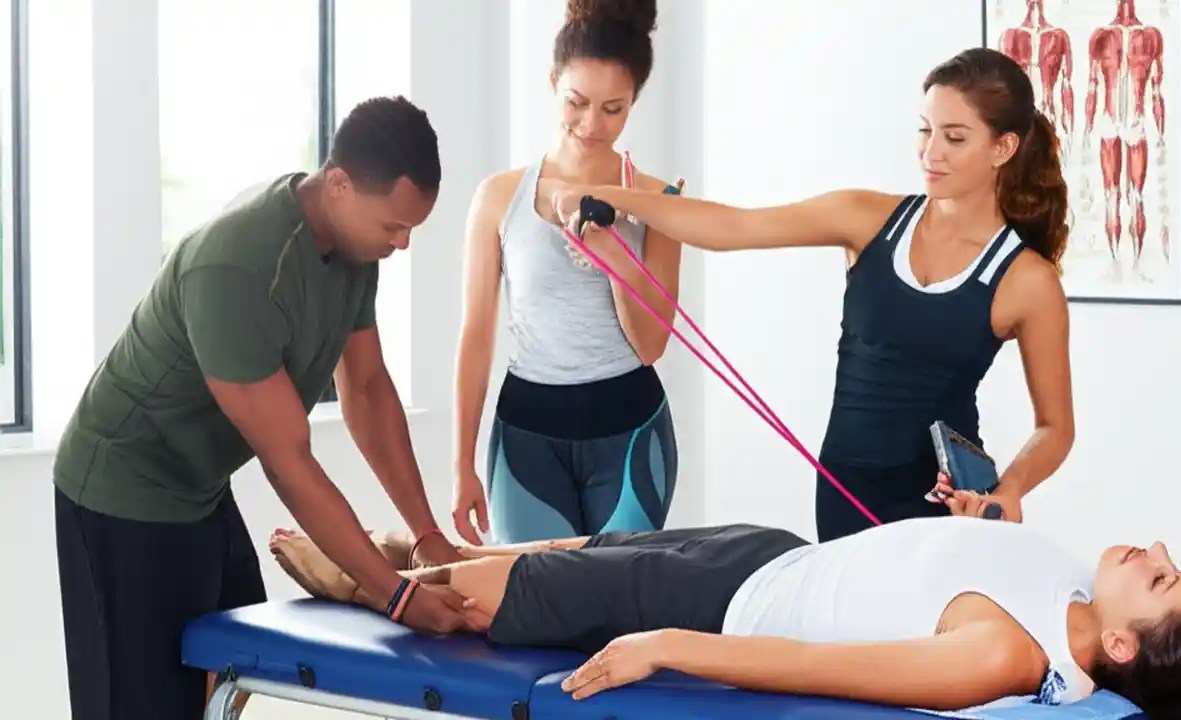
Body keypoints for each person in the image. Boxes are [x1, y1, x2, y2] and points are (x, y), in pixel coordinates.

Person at [543, 46, 1076, 541]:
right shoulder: (868, 219)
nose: (930, 152)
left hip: (947, 508)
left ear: (1003, 147)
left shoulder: (1026, 280)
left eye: (954, 138)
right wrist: (611, 196)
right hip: (843, 487)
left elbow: (1055, 428)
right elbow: (735, 226)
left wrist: (1009, 488)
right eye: (925, 130)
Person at [51, 96, 469, 720]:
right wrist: (397, 598)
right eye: (392, 226)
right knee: (142, 704)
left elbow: (366, 389)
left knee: (231, 668)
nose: (403, 243)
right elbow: (289, 463)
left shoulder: (354, 250)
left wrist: (426, 534)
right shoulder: (238, 265)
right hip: (120, 489)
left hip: (198, 486)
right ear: (339, 184)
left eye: (411, 228)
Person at [269, 499, 1181, 720]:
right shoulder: (1077, 587)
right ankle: (403, 554)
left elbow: (817, 671)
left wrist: (666, 647)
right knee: (521, 554)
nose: (1155, 554)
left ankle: (358, 583)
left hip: (718, 603)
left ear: (1122, 642)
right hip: (768, 552)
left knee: (480, 600)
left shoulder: (1002, 659)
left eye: (1162, 580)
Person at [452, 0, 683, 546]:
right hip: (527, 437)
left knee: (616, 596)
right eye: (576, 102)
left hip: (630, 432)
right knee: (534, 593)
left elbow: (651, 345)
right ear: (553, 81)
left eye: (613, 109)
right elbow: (476, 336)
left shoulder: (659, 201)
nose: (592, 125)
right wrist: (461, 465)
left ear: (634, 102)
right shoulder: (499, 197)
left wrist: (614, 254)